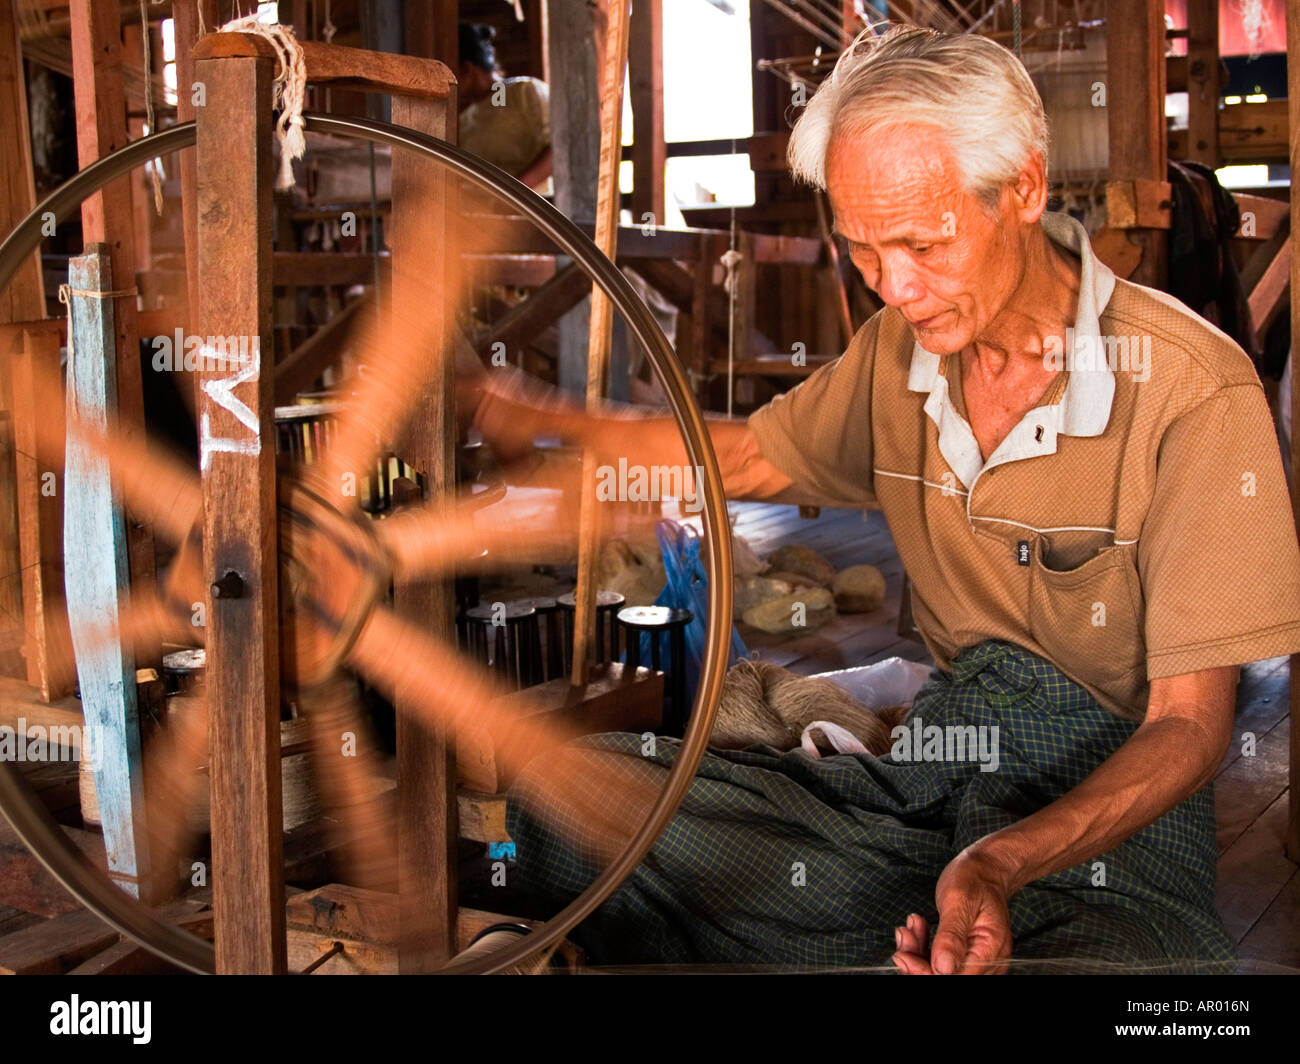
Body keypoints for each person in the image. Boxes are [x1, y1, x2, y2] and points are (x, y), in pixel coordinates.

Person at [455, 26, 1300, 973]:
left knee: (1131, 986)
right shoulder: (901, 353)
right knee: (563, 798)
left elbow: (1189, 728)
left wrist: (998, 865)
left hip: (1109, 841)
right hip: (922, 794)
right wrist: (546, 420)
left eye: (923, 243)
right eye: (862, 249)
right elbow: (743, 459)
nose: (896, 288)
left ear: (1023, 187)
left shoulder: (1192, 391)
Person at [456, 23, 552, 193]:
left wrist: (513, 192)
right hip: (487, 215)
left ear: (467, 70)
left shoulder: (525, 92)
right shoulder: (465, 120)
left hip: (539, 210)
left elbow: (557, 150)